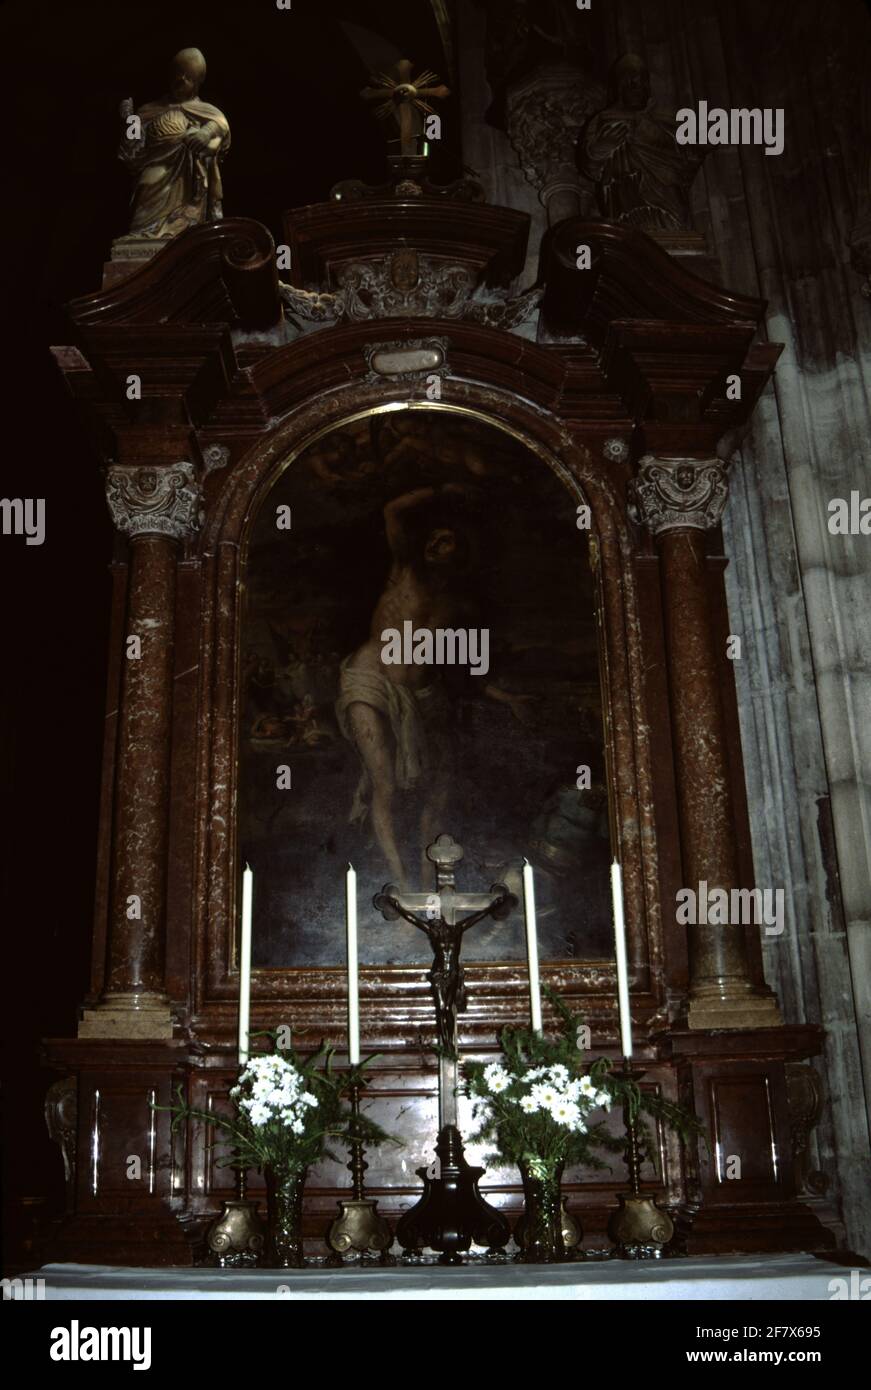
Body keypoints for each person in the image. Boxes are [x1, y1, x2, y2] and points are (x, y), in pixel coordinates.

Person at [336, 485, 532, 888]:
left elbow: (463, 670)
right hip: (370, 682)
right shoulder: (404, 572)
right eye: (434, 537)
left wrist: (507, 697)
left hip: (423, 698)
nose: (435, 543)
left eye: (447, 541)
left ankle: (430, 876)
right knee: (385, 783)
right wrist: (445, 490)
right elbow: (392, 506)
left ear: (460, 555)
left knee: (439, 789)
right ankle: (399, 881)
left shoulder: (459, 608)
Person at [577, 54, 703, 233]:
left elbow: (688, 156)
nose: (636, 87)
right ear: (619, 87)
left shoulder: (663, 119)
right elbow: (588, 165)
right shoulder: (603, 119)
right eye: (629, 82)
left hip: (665, 193)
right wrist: (600, 148)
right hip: (623, 194)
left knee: (674, 231)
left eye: (641, 82)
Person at [119, 48, 230, 239]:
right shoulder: (149, 110)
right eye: (177, 75)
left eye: (187, 78)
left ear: (197, 83)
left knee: (186, 224)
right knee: (145, 191)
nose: (180, 81)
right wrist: (129, 119)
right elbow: (133, 148)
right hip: (155, 167)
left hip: (186, 178)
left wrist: (205, 133)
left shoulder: (206, 111)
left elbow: (221, 125)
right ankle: (142, 238)